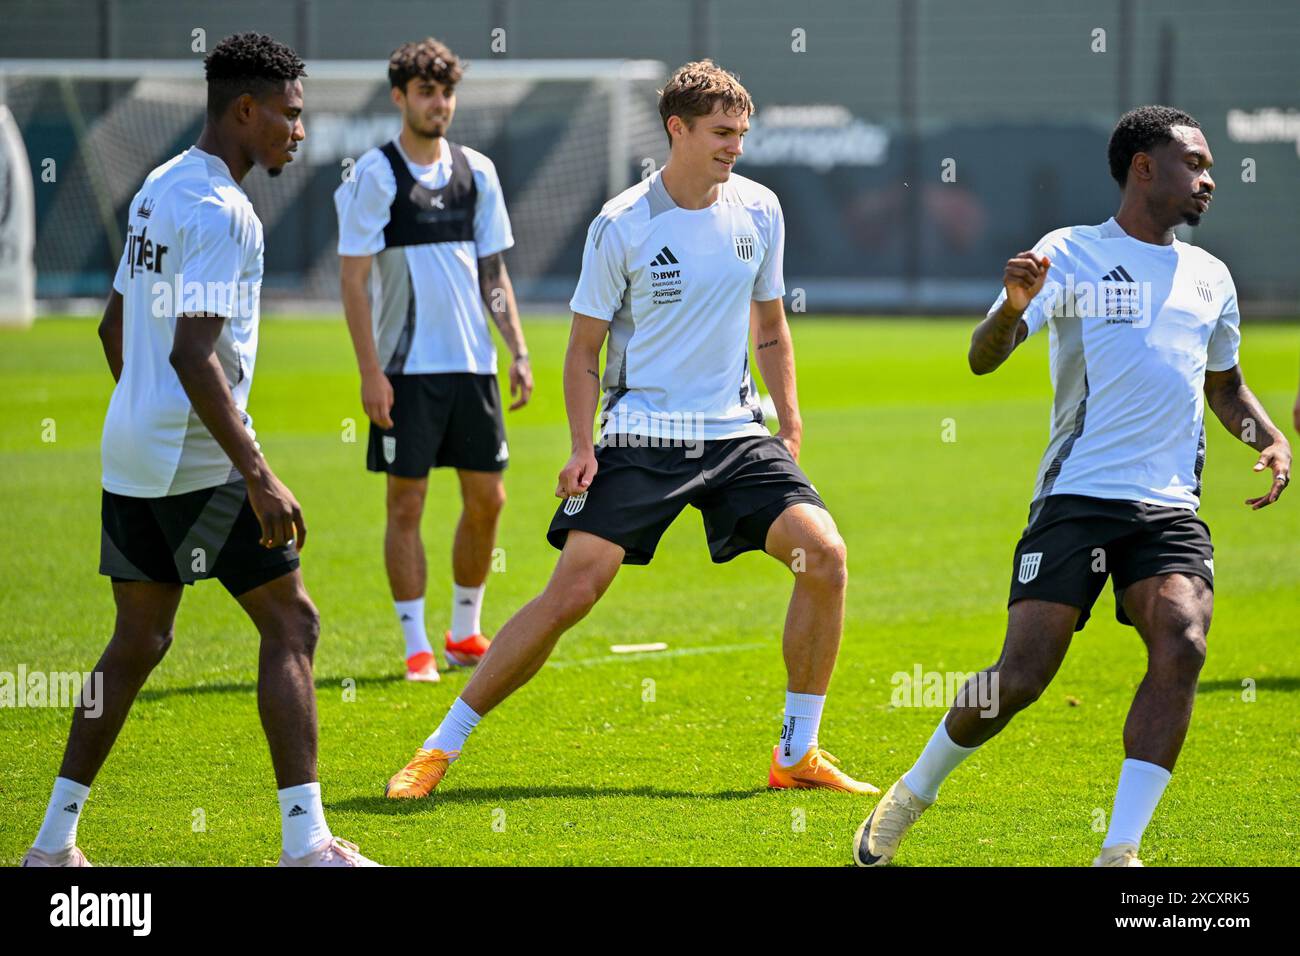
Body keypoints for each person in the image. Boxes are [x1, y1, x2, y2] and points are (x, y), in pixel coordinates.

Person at [385, 60, 875, 799]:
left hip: (736, 435)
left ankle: (796, 753)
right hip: (641, 436)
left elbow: (771, 326)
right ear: (676, 129)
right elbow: (583, 351)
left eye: (741, 133)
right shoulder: (623, 224)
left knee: (825, 557)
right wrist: (583, 448)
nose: (734, 147)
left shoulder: (761, 209)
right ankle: (438, 748)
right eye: (720, 133)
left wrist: (791, 418)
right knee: (573, 592)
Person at [853, 105, 1291, 868]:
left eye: (1211, 164)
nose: (1210, 179)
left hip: (1169, 507)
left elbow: (1226, 387)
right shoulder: (1072, 254)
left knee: (1183, 640)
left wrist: (1271, 437)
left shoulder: (1210, 276)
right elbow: (983, 357)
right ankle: (914, 793)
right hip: (1079, 497)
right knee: (1022, 676)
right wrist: (1014, 309)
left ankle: (1119, 849)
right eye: (1194, 162)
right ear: (1143, 168)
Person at [22, 33, 378, 868]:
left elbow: (116, 327)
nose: (301, 131)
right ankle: (307, 846)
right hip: (198, 462)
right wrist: (257, 474)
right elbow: (193, 353)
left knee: (139, 643)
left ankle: (52, 843)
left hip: (132, 453)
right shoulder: (225, 212)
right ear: (245, 109)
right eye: (291, 116)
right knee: (292, 623)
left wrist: (143, 416)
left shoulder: (158, 186)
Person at [335, 37, 531, 684]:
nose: (438, 103)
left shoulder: (479, 171)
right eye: (426, 91)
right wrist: (370, 373)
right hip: (404, 371)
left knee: (489, 499)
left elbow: (492, 271)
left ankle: (465, 631)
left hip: (472, 370)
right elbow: (354, 281)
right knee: (406, 504)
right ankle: (416, 644)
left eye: (446, 91)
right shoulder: (374, 175)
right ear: (400, 97)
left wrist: (518, 351)